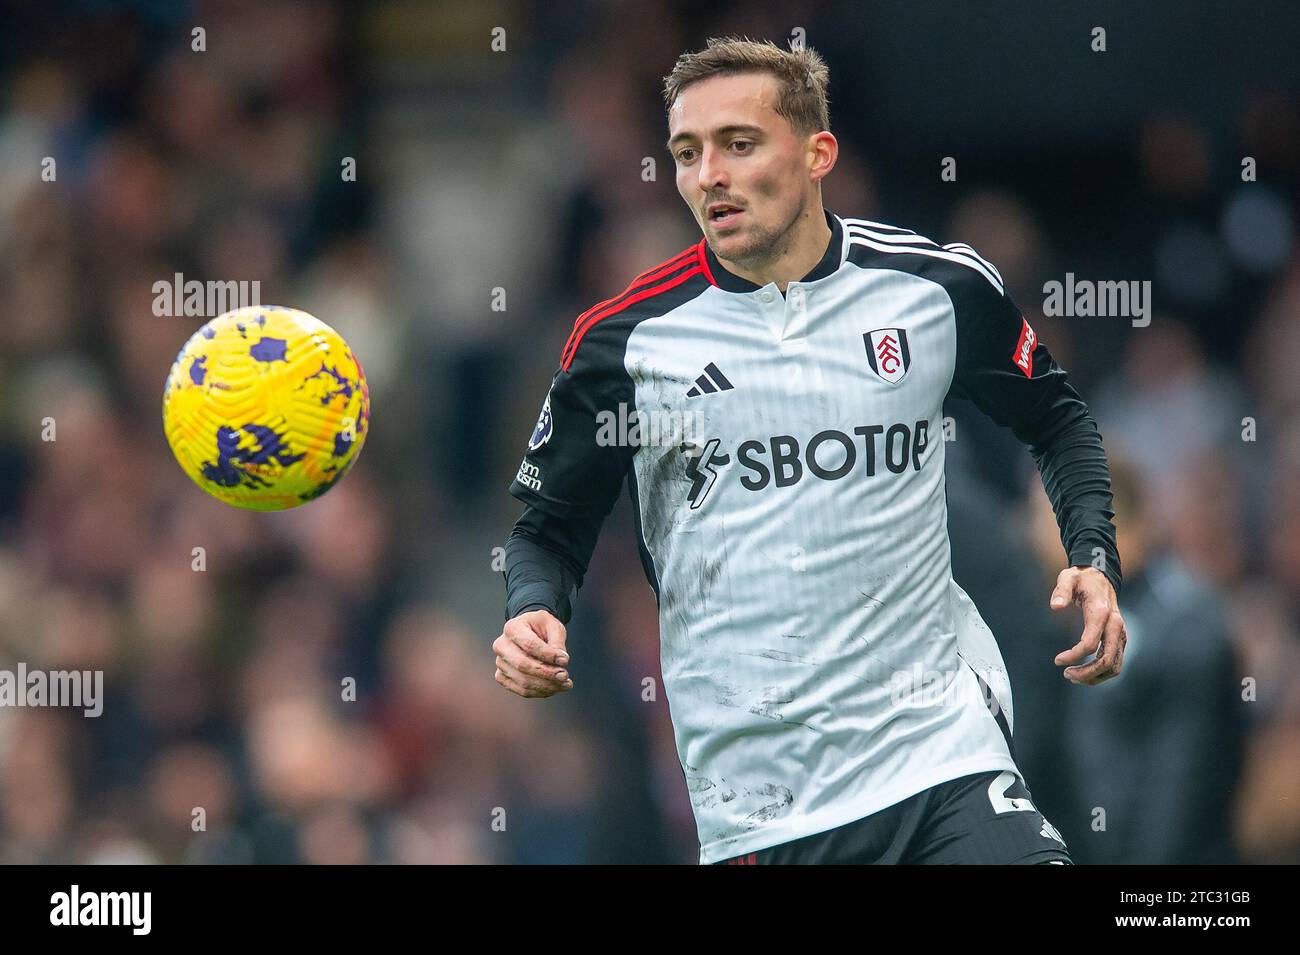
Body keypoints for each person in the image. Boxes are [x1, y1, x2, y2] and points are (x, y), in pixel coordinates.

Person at [497, 36, 1125, 864]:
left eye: (739, 144)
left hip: (944, 753)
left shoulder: (937, 290)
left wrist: (1091, 549)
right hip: (766, 803)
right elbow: (547, 530)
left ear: (818, 152)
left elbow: (1056, 417)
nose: (708, 175)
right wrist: (531, 611)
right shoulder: (625, 341)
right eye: (687, 153)